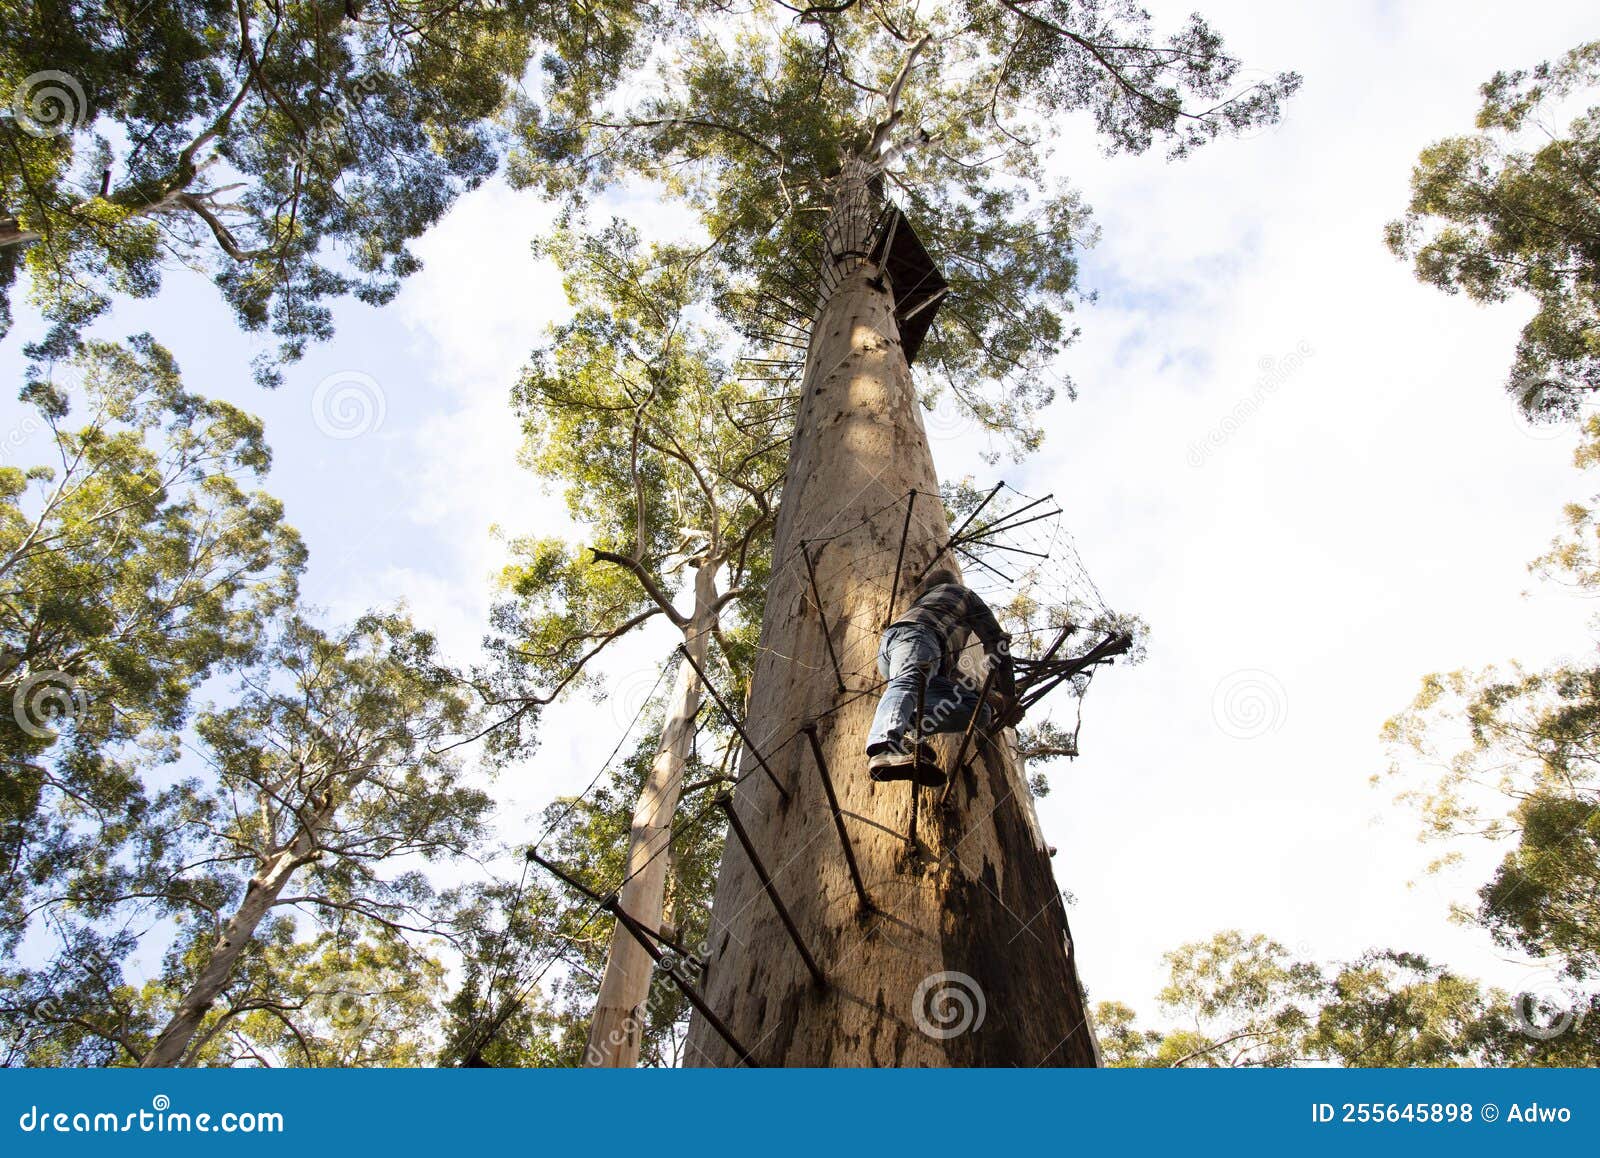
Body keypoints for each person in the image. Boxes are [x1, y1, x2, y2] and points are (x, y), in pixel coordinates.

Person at [866, 568, 1019, 785]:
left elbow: (952, 675)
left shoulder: (928, 607)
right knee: (909, 681)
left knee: (979, 712)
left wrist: (993, 699)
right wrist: (1008, 697)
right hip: (918, 637)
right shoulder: (961, 593)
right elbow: (996, 642)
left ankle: (906, 728)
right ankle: (885, 748)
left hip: (907, 653)